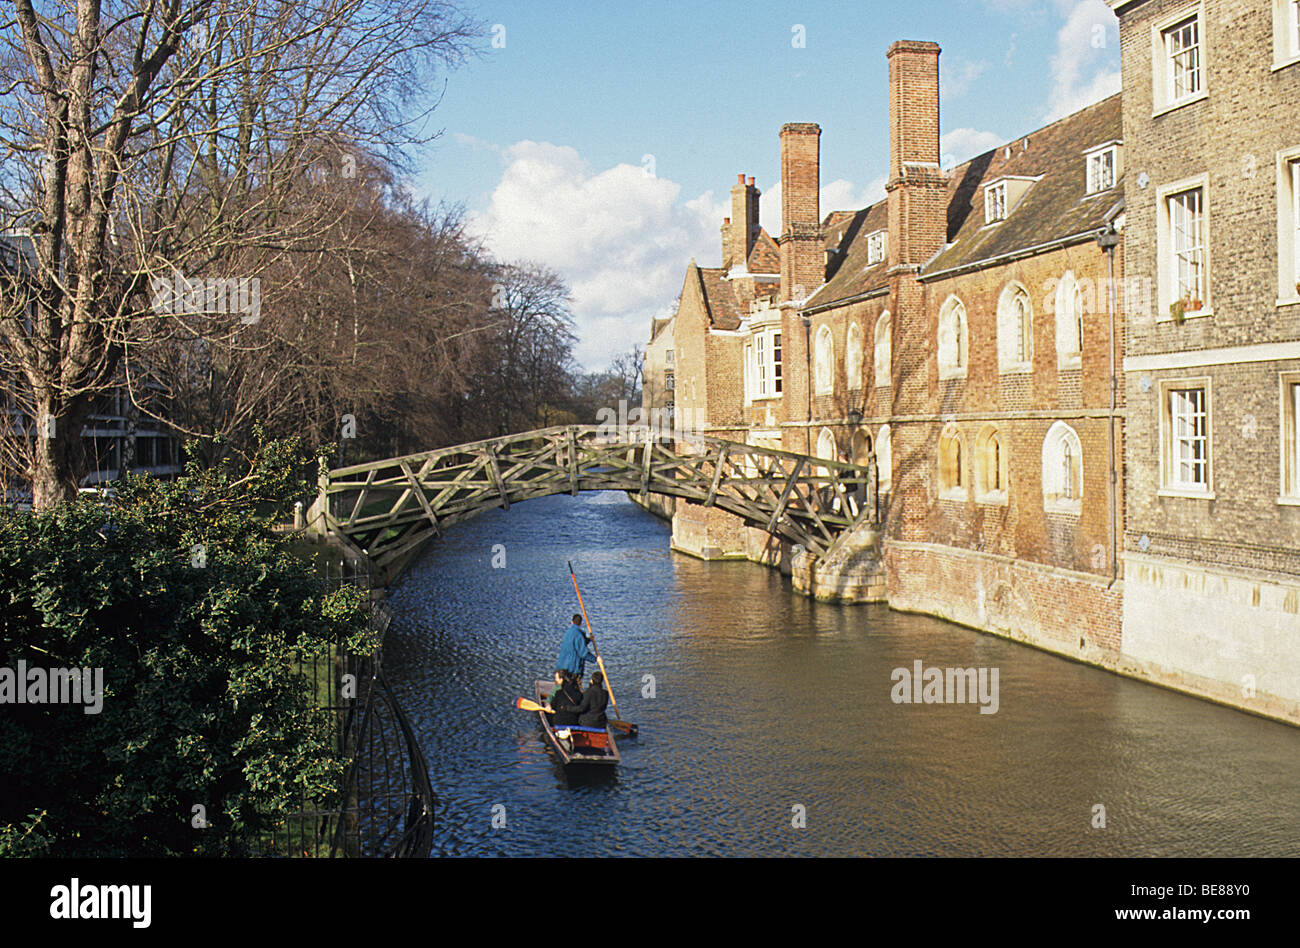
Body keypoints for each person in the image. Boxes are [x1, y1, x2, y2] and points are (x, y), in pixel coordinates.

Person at [556, 613, 597, 679]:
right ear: (580, 623)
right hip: (572, 670)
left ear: (571, 622)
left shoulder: (568, 632)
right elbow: (583, 653)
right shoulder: (578, 635)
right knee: (573, 688)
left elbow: (577, 644)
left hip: (562, 667)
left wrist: (589, 639)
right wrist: (596, 659)